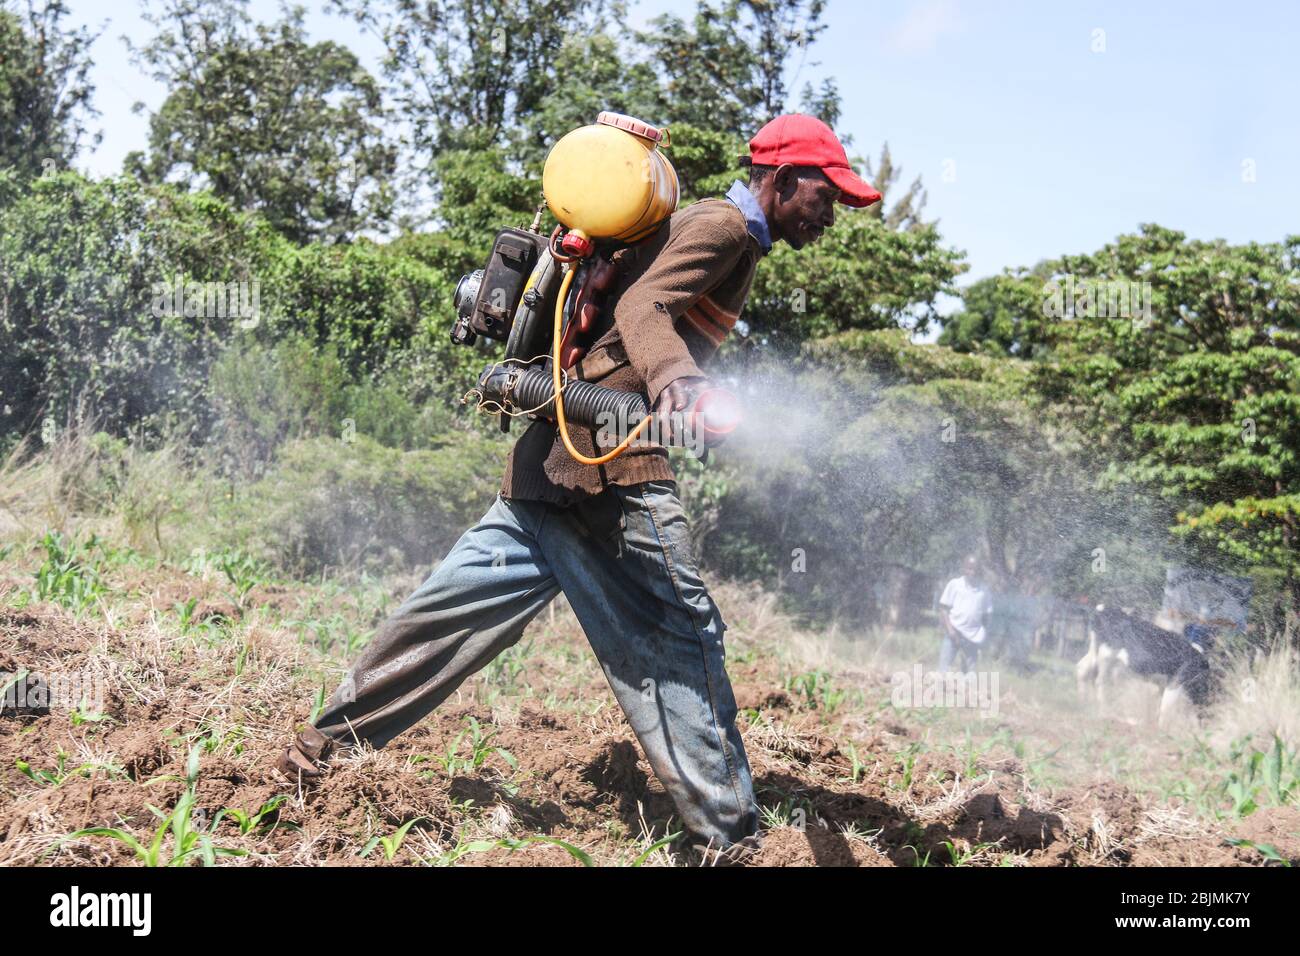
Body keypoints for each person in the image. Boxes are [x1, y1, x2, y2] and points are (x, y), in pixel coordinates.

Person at [275, 114, 882, 859]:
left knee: (451, 612)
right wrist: (679, 380)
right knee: (681, 639)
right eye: (826, 196)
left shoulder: (723, 232)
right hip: (609, 473)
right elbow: (640, 310)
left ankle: (320, 750)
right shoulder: (723, 227)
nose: (831, 214)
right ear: (785, 180)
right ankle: (731, 840)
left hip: (550, 462)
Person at [938, 556, 993, 672]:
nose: (972, 572)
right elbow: (943, 608)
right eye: (969, 569)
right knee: (943, 671)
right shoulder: (955, 584)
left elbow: (987, 615)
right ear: (964, 569)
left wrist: (983, 634)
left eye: (975, 569)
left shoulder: (984, 590)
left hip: (972, 638)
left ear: (979, 571)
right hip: (953, 633)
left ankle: (966, 689)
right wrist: (950, 630)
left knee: (969, 675)